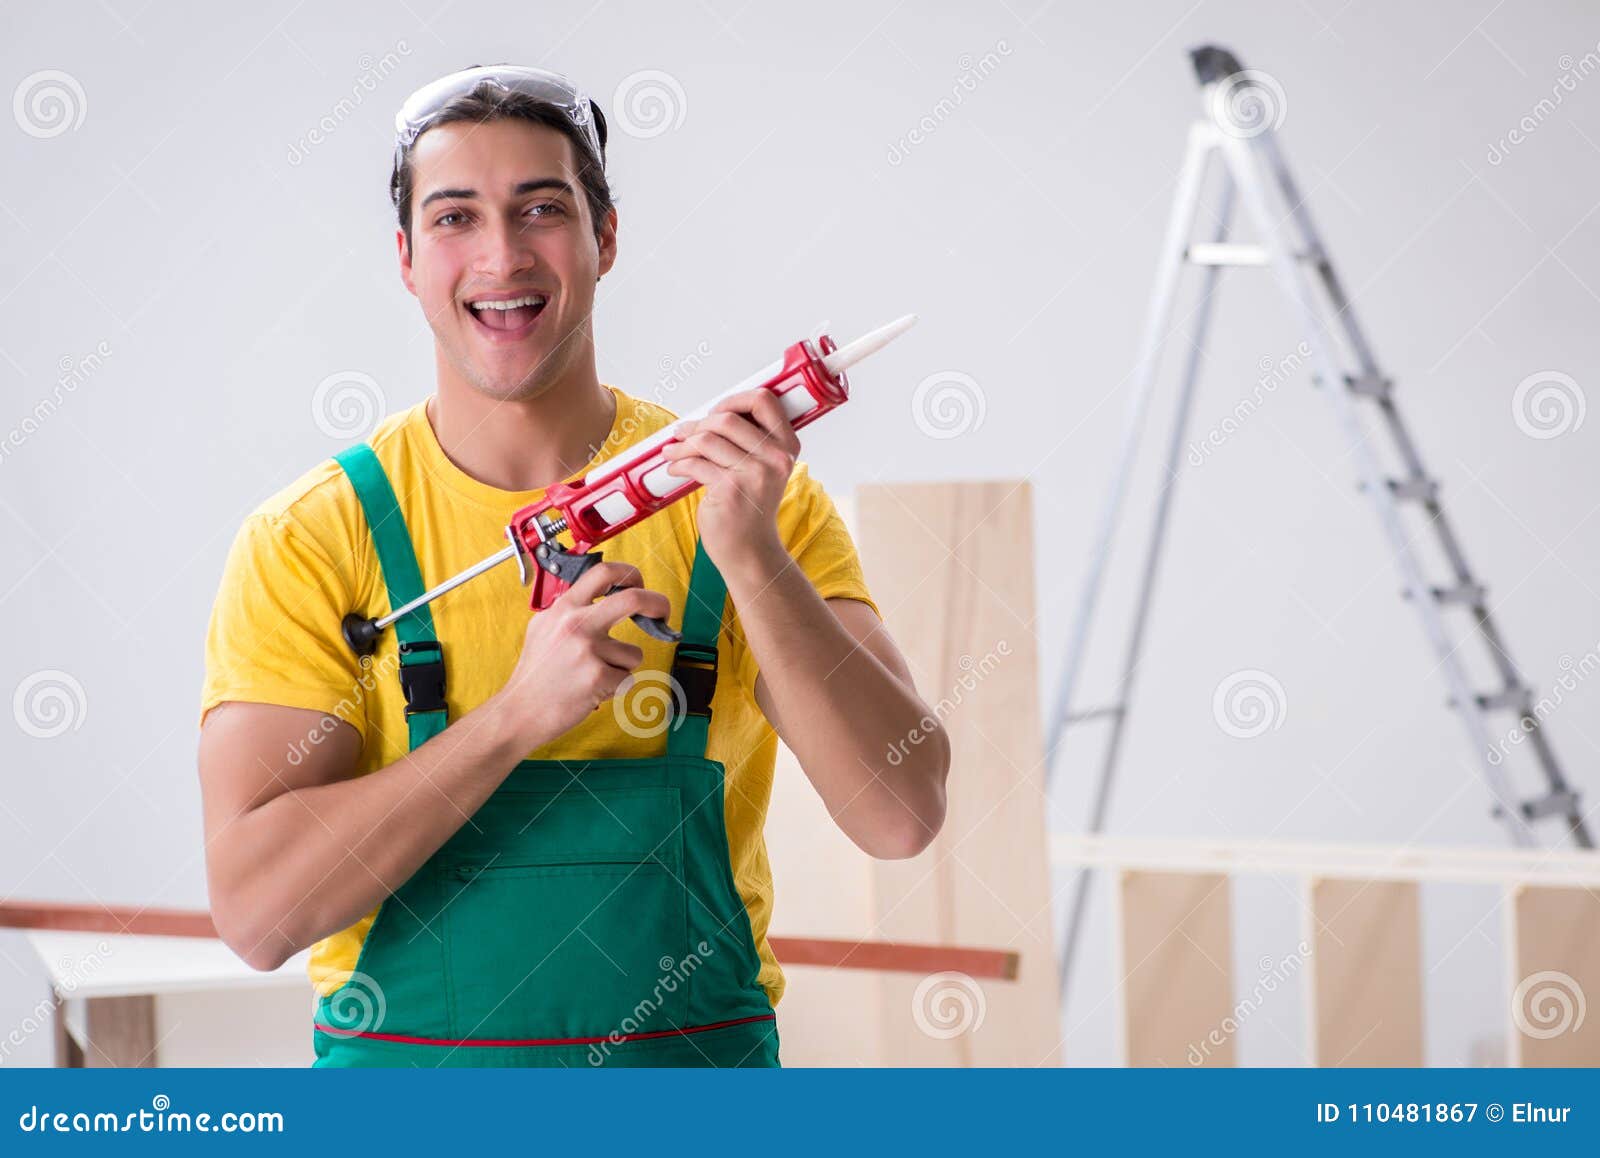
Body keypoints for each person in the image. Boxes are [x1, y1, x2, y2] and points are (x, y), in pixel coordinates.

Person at [196, 65, 949, 1068]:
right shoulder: (311, 539)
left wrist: (748, 554)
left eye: (541, 209)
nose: (502, 256)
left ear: (605, 238)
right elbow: (258, 916)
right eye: (456, 217)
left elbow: (900, 816)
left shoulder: (746, 496)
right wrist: (513, 719)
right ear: (408, 258)